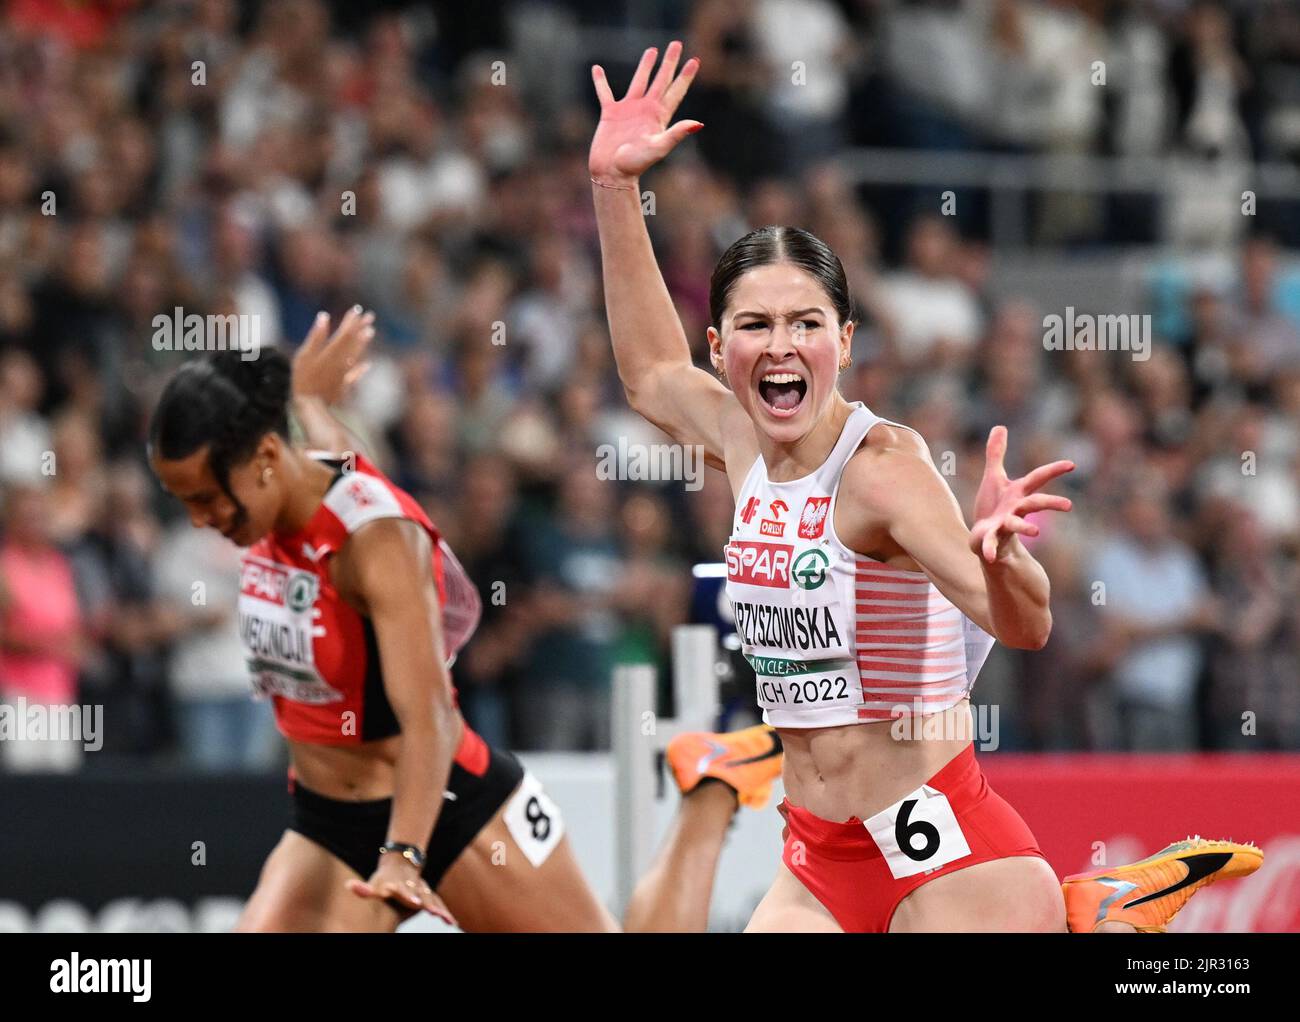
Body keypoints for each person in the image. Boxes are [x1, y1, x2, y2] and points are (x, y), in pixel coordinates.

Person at [587, 40, 1261, 932]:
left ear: (847, 341)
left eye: (805, 324)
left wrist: (1003, 554)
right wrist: (610, 186)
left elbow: (1025, 625)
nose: (781, 345)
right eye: (754, 325)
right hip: (817, 856)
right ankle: (1088, 913)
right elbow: (646, 373)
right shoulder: (740, 440)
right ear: (721, 349)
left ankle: (1081, 912)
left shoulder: (882, 476)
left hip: (941, 848)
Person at [146, 308, 781, 932]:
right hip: (328, 819)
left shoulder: (376, 541)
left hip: (449, 809)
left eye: (206, 497)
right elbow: (336, 454)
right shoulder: (285, 485)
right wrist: (310, 399)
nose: (200, 519)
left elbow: (432, 721)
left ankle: (710, 791)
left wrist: (403, 857)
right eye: (183, 502)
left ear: (263, 458)